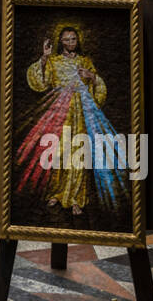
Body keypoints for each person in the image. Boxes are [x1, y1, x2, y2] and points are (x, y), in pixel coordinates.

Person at [13, 26, 127, 216]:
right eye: (66, 40)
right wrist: (44, 58)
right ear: (61, 42)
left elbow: (98, 92)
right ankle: (57, 193)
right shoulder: (54, 61)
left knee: (78, 154)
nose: (70, 43)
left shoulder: (85, 62)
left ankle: (76, 198)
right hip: (59, 114)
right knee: (58, 152)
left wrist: (92, 77)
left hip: (81, 114)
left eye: (73, 39)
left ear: (77, 41)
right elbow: (40, 83)